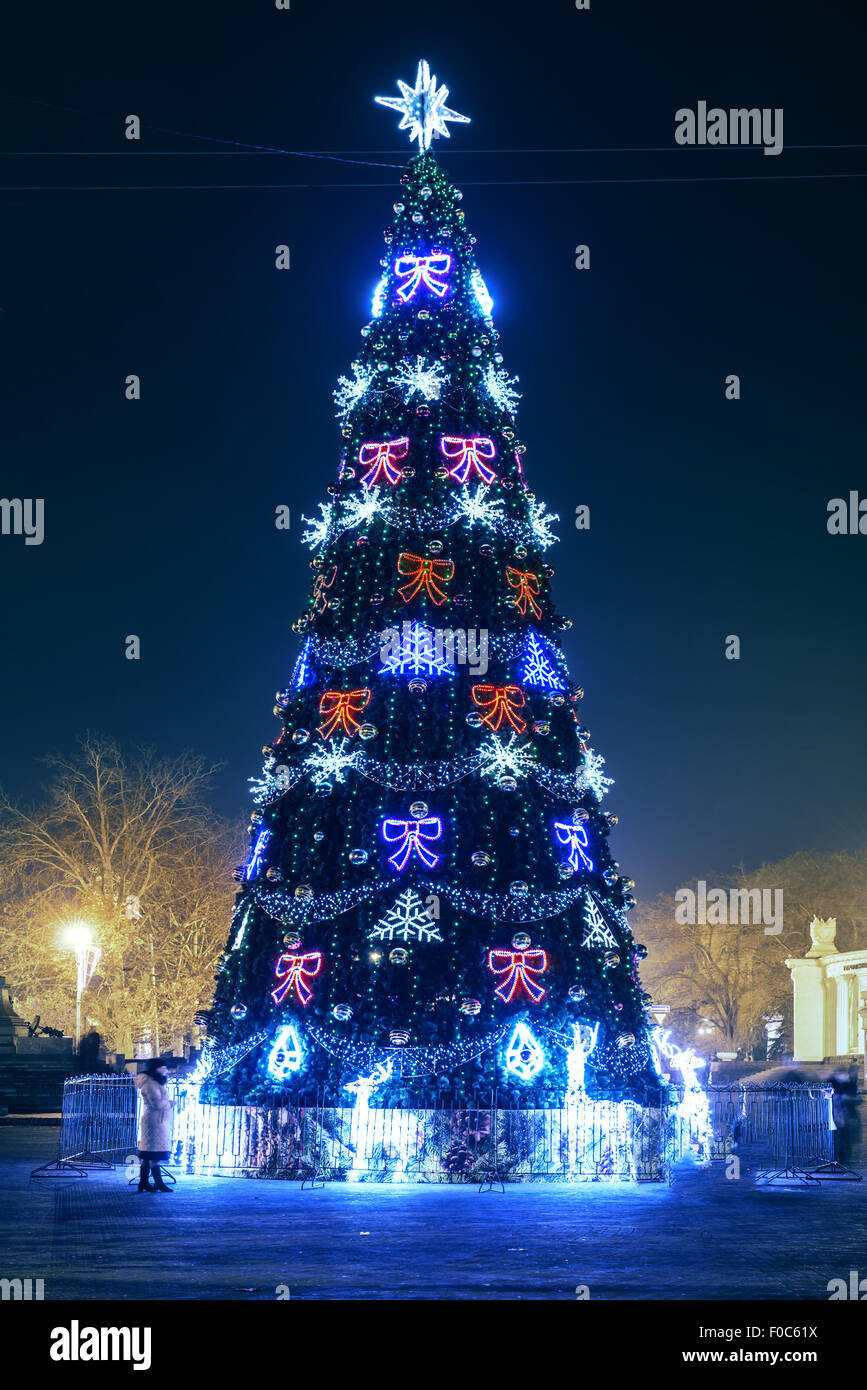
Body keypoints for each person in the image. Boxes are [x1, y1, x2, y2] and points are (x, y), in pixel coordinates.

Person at [134, 1058, 175, 1193]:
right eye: (163, 1067)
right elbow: (156, 1103)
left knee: (149, 1154)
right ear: (156, 1069)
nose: (166, 1070)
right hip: (154, 1121)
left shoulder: (153, 1082)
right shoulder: (150, 1084)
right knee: (153, 1153)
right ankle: (157, 1183)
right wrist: (169, 1103)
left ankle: (144, 1182)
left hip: (157, 1120)